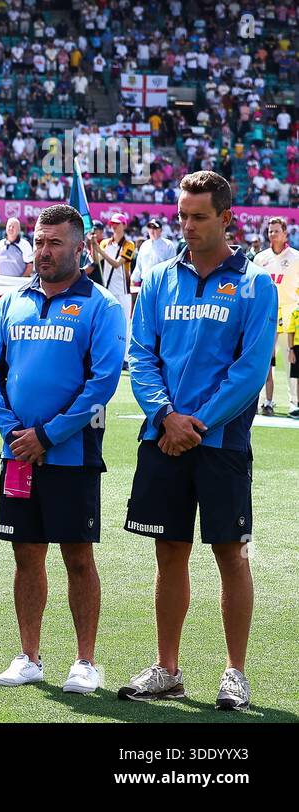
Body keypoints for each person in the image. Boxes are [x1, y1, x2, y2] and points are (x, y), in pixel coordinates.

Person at [120, 171, 277, 711]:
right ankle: (168, 668)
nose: (186, 225)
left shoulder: (256, 283)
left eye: (199, 216)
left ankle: (235, 672)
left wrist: (197, 424)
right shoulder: (161, 278)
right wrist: (166, 416)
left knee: (231, 552)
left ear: (227, 218)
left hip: (219, 442)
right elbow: (140, 354)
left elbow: (251, 369)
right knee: (170, 552)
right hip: (162, 435)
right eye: (181, 215)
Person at [0, 204, 126, 694]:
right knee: (26, 555)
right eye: (39, 241)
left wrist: (48, 435)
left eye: (54, 243)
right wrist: (14, 434)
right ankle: (29, 656)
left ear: (79, 247)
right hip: (17, 454)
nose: (43, 250)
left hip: (72, 455)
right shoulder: (11, 302)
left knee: (78, 557)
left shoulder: (101, 305)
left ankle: (86, 661)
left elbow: (101, 382)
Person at [252, 217, 299, 416]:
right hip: (267, 314)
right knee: (265, 360)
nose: (273, 234)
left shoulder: (296, 257)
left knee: (291, 362)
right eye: (270, 231)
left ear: (285, 233)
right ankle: (266, 401)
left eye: (276, 231)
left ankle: (294, 403)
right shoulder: (260, 258)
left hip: (290, 314)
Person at [91, 213, 137, 349]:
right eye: (112, 224)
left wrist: (99, 249)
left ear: (124, 225)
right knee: (107, 324)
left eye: (117, 224)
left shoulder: (129, 245)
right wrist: (94, 246)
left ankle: (126, 359)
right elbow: (96, 260)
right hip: (108, 290)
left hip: (123, 291)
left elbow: (117, 264)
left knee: (125, 324)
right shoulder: (105, 243)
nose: (114, 226)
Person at [131, 218, 177, 288]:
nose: (152, 230)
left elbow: (172, 266)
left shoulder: (168, 245)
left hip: (162, 282)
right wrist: (133, 279)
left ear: (161, 230)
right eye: (150, 227)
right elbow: (139, 265)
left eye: (155, 227)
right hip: (145, 281)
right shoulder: (144, 245)